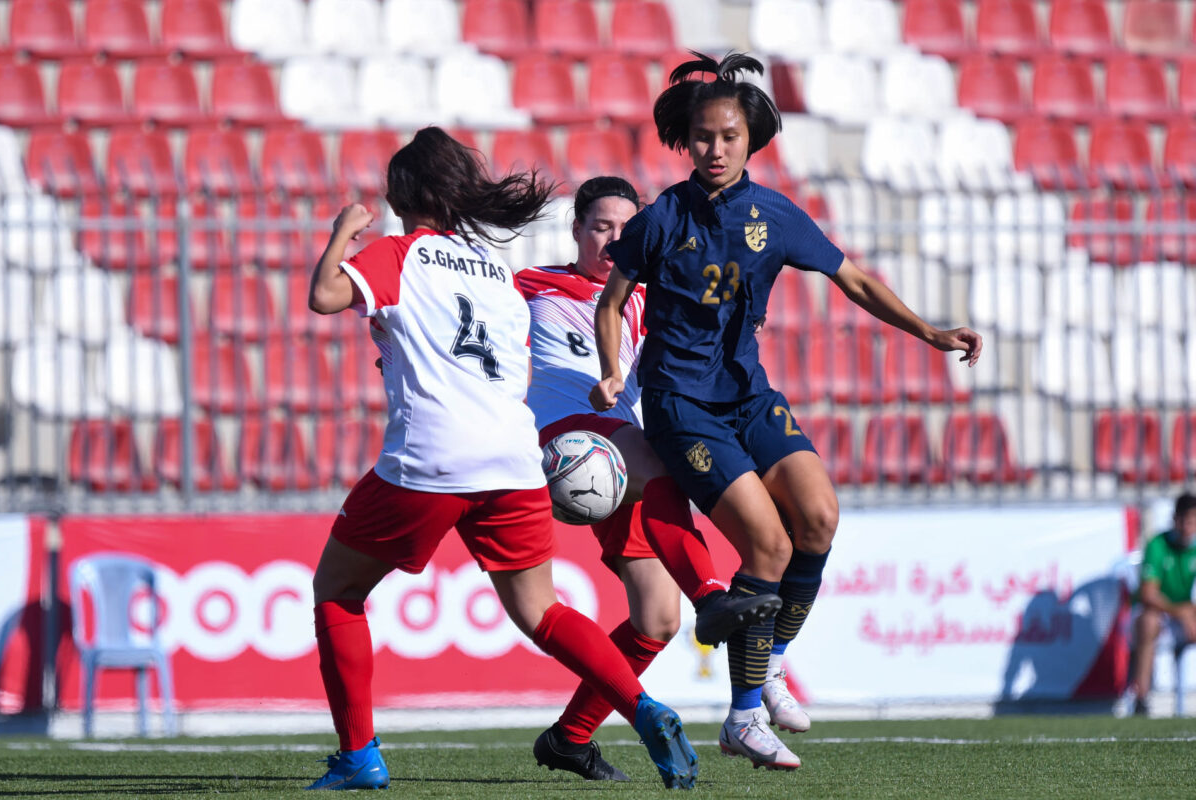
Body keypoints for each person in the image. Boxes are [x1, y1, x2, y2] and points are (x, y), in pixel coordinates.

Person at [591, 53, 983, 770]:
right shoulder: (660, 219)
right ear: (687, 138)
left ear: (751, 140)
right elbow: (612, 304)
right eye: (703, 136)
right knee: (766, 546)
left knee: (820, 517)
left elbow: (853, 278)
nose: (715, 148)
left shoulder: (775, 214)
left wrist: (929, 331)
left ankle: (767, 658)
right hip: (682, 404)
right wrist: (615, 369)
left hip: (749, 396)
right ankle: (743, 716)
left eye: (729, 136)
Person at [304, 127, 698, 790]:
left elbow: (324, 298)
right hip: (514, 462)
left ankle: (359, 757)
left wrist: (343, 234)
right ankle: (642, 705)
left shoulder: (401, 252)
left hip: (430, 459)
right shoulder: (493, 274)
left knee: (336, 594)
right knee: (542, 612)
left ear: (405, 194)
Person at [518, 176, 782, 782]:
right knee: (664, 469)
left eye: (624, 230)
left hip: (622, 457)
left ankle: (569, 738)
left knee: (656, 619)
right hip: (570, 440)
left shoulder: (650, 295)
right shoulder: (529, 287)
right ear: (576, 229)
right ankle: (713, 595)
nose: (613, 240)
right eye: (601, 227)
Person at [1130, 492, 1196, 716]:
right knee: (1148, 623)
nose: (1189, 528)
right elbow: (1149, 594)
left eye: (1193, 522)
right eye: (1185, 522)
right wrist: (1181, 613)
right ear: (1175, 520)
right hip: (1163, 614)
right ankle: (1141, 699)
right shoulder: (1158, 544)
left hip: (1187, 613)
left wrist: (1190, 613)